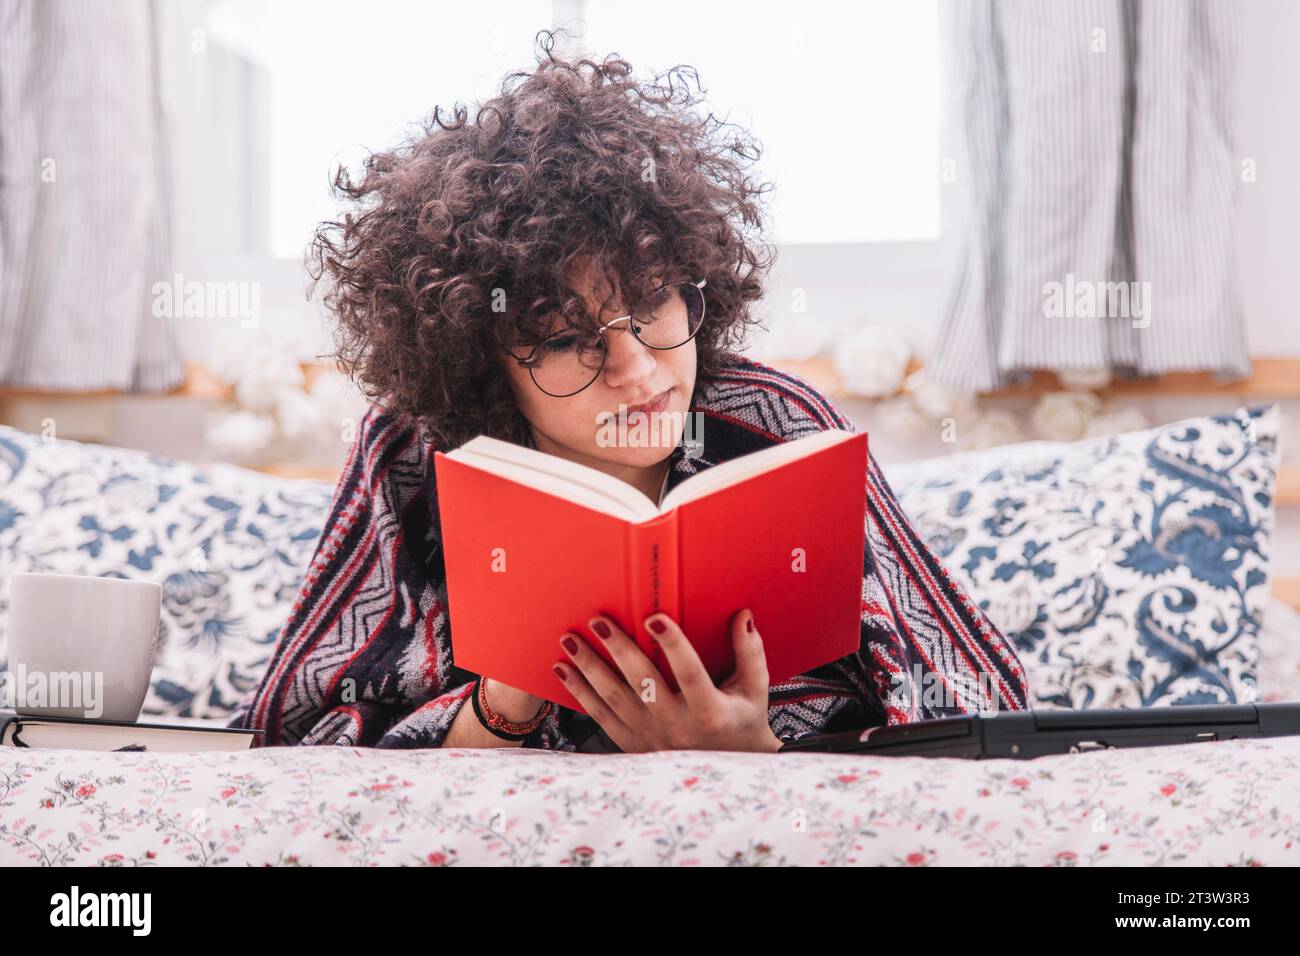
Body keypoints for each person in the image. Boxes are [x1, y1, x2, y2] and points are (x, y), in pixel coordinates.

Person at [227, 31, 1029, 753]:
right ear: (483, 361)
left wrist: (750, 758)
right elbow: (290, 754)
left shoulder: (783, 425)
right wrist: (506, 707)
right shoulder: (410, 455)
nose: (639, 371)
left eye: (651, 304)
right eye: (568, 340)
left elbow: (983, 716)